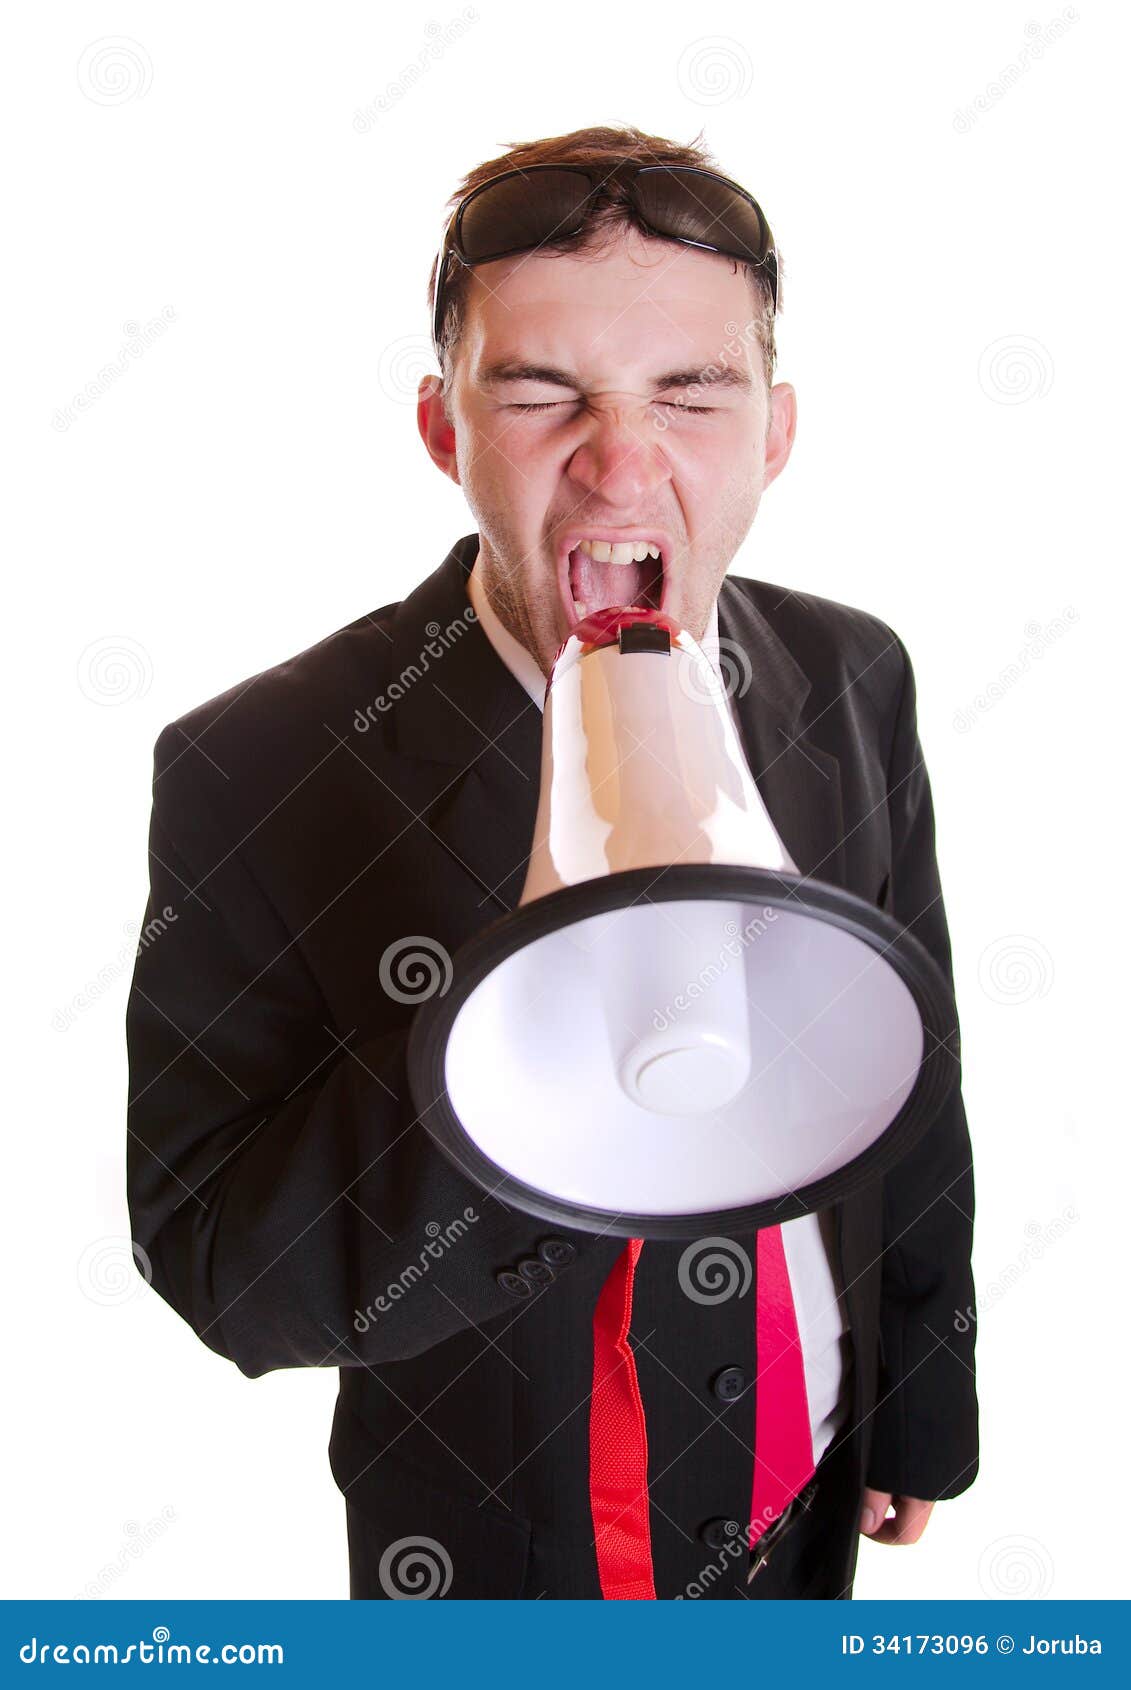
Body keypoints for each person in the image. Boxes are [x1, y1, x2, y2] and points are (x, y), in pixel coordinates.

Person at [125, 124, 978, 1600]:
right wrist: (515, 993)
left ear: (774, 432)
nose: (622, 460)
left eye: (691, 393)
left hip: (809, 1502)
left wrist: (922, 1400)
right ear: (445, 432)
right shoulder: (256, 763)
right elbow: (227, 1272)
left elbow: (918, 1065)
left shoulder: (849, 673)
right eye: (540, 393)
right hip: (502, 1556)